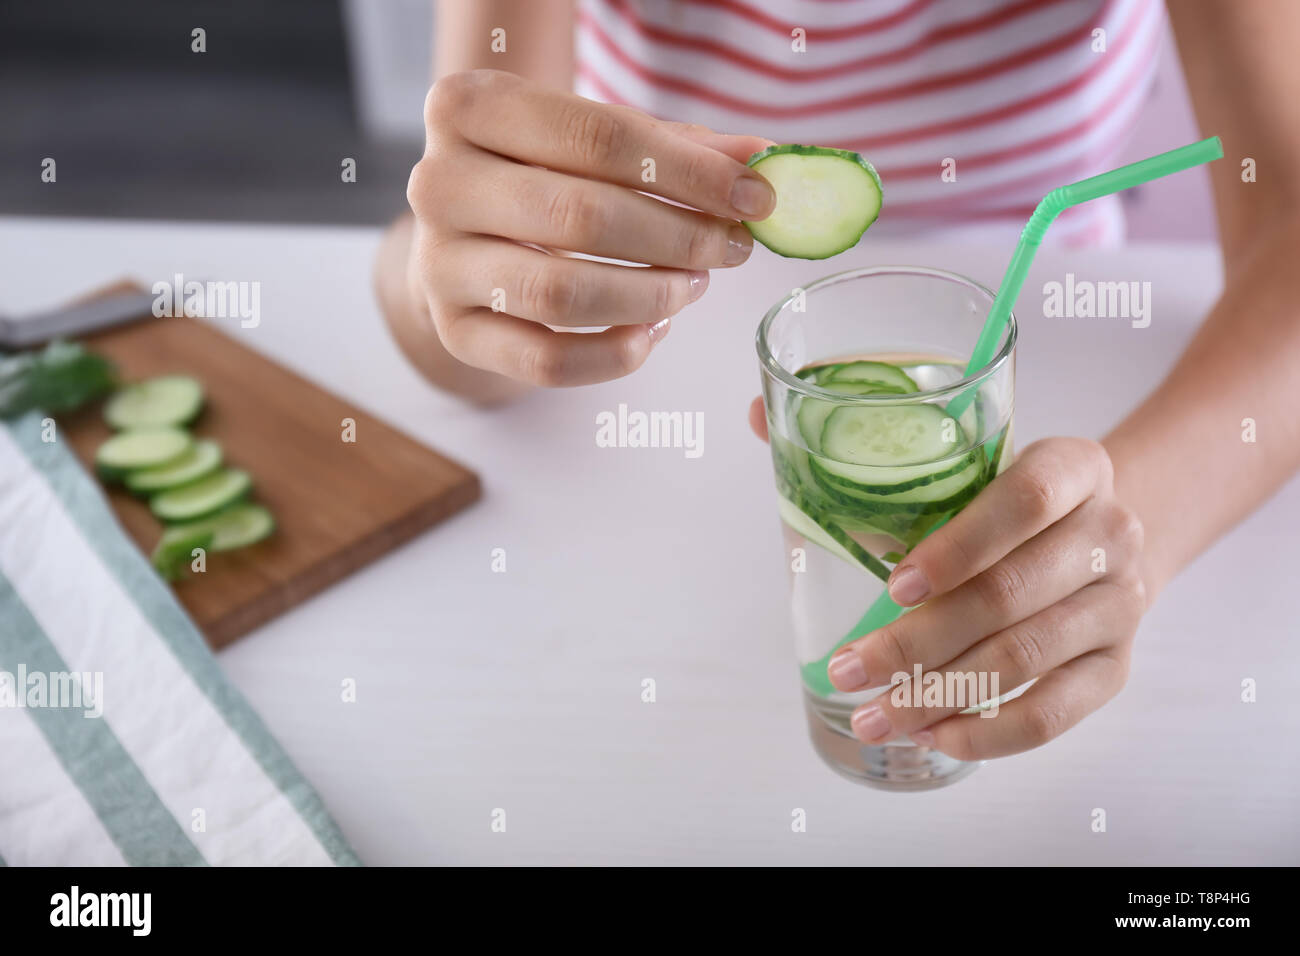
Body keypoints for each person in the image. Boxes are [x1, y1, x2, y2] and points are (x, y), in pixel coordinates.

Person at [374, 0, 1300, 758]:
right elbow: (459, 283)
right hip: (661, 414)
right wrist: (456, 279)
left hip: (1066, 349)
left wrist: (1124, 527)